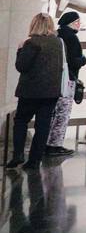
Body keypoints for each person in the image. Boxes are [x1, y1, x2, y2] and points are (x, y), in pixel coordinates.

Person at [6, 14, 64, 170]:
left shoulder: (31, 43)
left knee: (21, 121)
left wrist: (19, 50)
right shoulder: (57, 42)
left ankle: (18, 154)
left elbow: (21, 66)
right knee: (43, 125)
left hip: (31, 91)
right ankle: (34, 160)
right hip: (51, 92)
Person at [45, 11, 86, 157]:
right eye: (78, 22)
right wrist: (83, 60)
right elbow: (75, 61)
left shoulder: (55, 35)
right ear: (73, 22)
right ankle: (55, 145)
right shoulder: (71, 37)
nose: (80, 24)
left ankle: (45, 142)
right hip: (66, 80)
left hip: (52, 80)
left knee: (51, 113)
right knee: (63, 113)